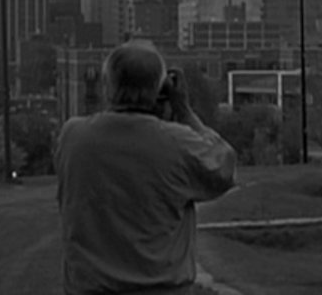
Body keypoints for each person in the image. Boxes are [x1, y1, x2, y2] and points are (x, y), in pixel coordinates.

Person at [55, 40, 237, 294]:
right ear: (160, 89)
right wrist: (184, 111)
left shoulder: (73, 137)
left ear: (107, 85)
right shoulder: (177, 143)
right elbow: (224, 167)